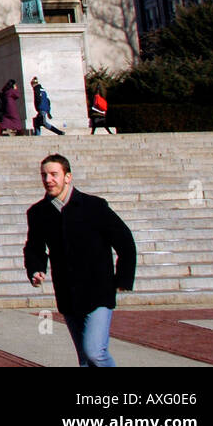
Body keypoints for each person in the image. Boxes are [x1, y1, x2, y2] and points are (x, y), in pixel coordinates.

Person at [24, 154, 136, 367]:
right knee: (85, 360)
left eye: (54, 174)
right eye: (44, 175)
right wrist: (36, 269)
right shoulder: (38, 212)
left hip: (98, 292)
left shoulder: (94, 206)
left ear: (68, 177)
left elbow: (125, 240)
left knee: (95, 352)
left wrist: (123, 278)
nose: (48, 180)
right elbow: (34, 247)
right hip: (68, 294)